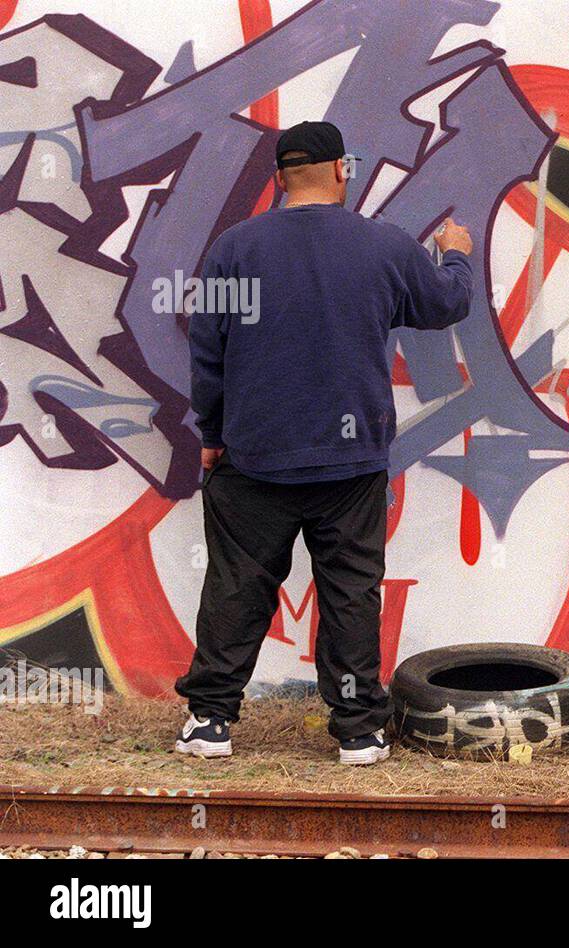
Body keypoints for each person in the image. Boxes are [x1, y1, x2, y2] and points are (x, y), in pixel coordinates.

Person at [174, 121, 473, 765]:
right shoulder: (384, 247)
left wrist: (212, 433)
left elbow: (209, 349)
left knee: (236, 587)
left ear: (280, 178)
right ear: (343, 170)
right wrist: (455, 253)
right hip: (351, 461)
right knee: (350, 591)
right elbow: (446, 303)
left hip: (253, 458)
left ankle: (209, 721)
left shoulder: (234, 249)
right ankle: (359, 728)